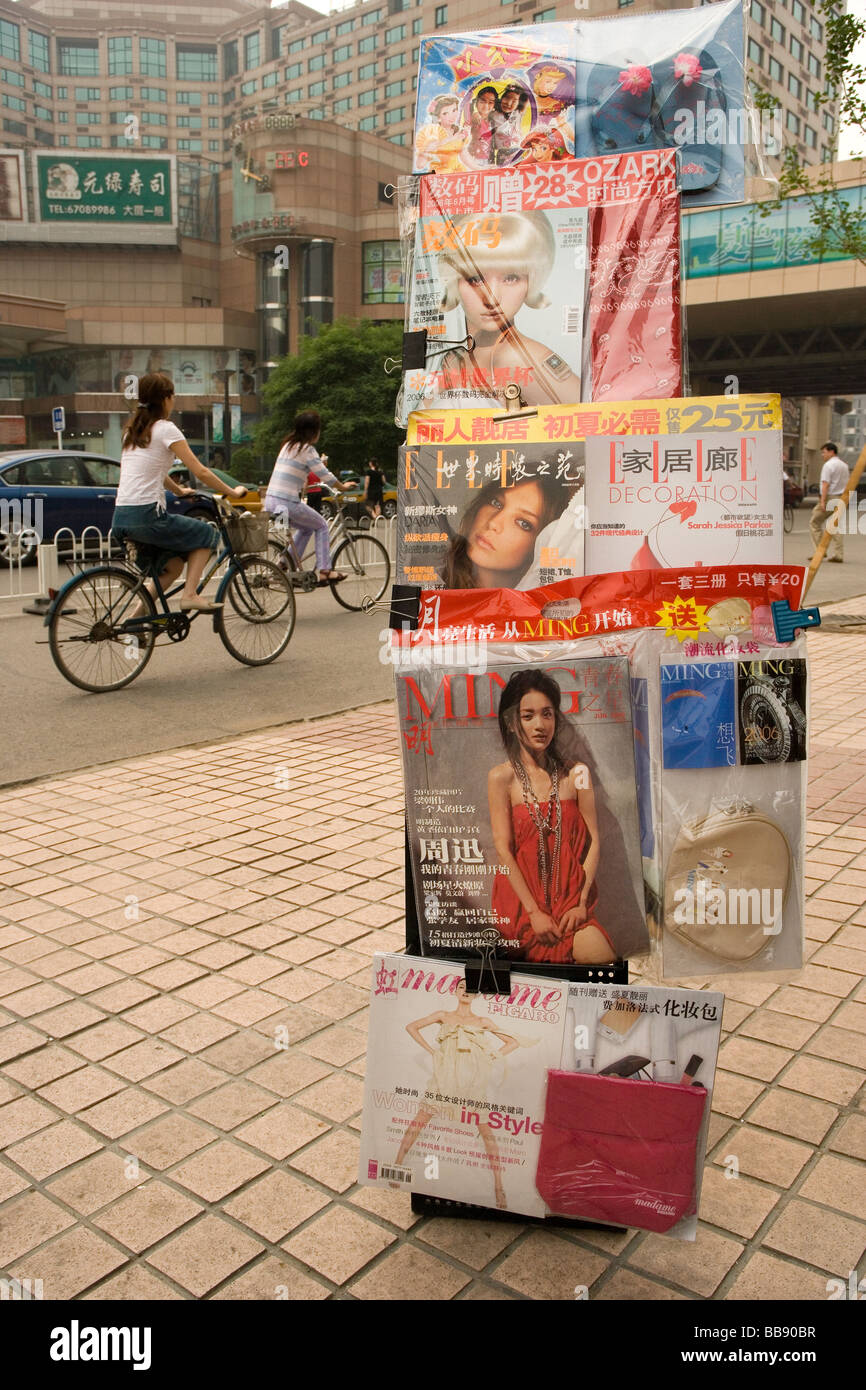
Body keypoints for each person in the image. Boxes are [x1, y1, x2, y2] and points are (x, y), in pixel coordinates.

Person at [488, 669, 616, 966]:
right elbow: (503, 849)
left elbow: (595, 840)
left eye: (547, 714)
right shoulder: (500, 778)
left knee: (602, 963)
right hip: (523, 907)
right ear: (510, 722)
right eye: (528, 716)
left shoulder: (577, 774)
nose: (540, 725)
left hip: (571, 904)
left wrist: (581, 904)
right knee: (530, 991)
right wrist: (533, 913)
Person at [392, 979, 533, 1210]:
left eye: (471, 989)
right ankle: (397, 1166)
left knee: (487, 1133)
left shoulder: (482, 1021)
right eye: (462, 987)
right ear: (455, 991)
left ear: (477, 994)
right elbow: (411, 1027)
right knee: (419, 1121)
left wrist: (487, 1057)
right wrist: (432, 1051)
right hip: (444, 1078)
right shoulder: (443, 1015)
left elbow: (512, 1042)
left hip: (472, 1083)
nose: (466, 992)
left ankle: (498, 1186)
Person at [111, 372, 246, 613]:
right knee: (206, 534)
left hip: (121, 518)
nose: (173, 401)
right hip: (146, 515)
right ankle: (190, 595)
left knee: (171, 567)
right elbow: (202, 471)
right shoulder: (166, 429)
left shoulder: (131, 431)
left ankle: (135, 620)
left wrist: (178, 489)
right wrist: (232, 492)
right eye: (172, 396)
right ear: (165, 399)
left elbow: (154, 469)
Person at [433, 210, 581, 407]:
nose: (492, 297)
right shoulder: (453, 358)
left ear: (531, 281)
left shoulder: (521, 359)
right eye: (475, 279)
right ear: (453, 280)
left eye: (511, 278)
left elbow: (595, 420)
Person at [263, 409, 354, 583]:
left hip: (271, 501)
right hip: (286, 503)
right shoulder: (308, 449)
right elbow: (325, 475)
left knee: (306, 528)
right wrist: (342, 487)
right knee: (321, 525)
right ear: (314, 431)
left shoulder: (287, 446)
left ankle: (284, 564)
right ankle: (325, 571)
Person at [439, 473, 569, 589]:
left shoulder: (543, 610)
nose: (493, 522)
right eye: (496, 503)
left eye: (523, 523)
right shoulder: (433, 583)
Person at [810, 441, 850, 563]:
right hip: (842, 498)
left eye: (824, 452)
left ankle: (820, 552)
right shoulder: (844, 466)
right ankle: (838, 554)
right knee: (835, 526)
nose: (823, 455)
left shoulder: (828, 465)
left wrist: (822, 501)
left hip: (830, 498)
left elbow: (825, 484)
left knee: (814, 522)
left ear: (831, 452)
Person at [414, 95, 467, 175]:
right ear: (438, 117)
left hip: (459, 173)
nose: (452, 115)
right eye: (445, 113)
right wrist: (451, 139)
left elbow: (465, 157)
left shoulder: (459, 132)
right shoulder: (433, 132)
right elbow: (420, 165)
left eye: (454, 110)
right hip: (440, 176)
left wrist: (483, 168)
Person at [489, 84, 531, 165]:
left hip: (517, 150)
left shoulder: (518, 113)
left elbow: (529, 96)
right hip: (501, 152)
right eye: (507, 97)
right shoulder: (493, 114)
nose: (509, 103)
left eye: (514, 101)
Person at [461, 85, 498, 169]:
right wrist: (474, 112)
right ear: (476, 102)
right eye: (482, 101)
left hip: (489, 160)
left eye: (490, 102)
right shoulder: (473, 118)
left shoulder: (494, 121)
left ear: (494, 105)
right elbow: (466, 105)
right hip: (473, 159)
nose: (486, 105)